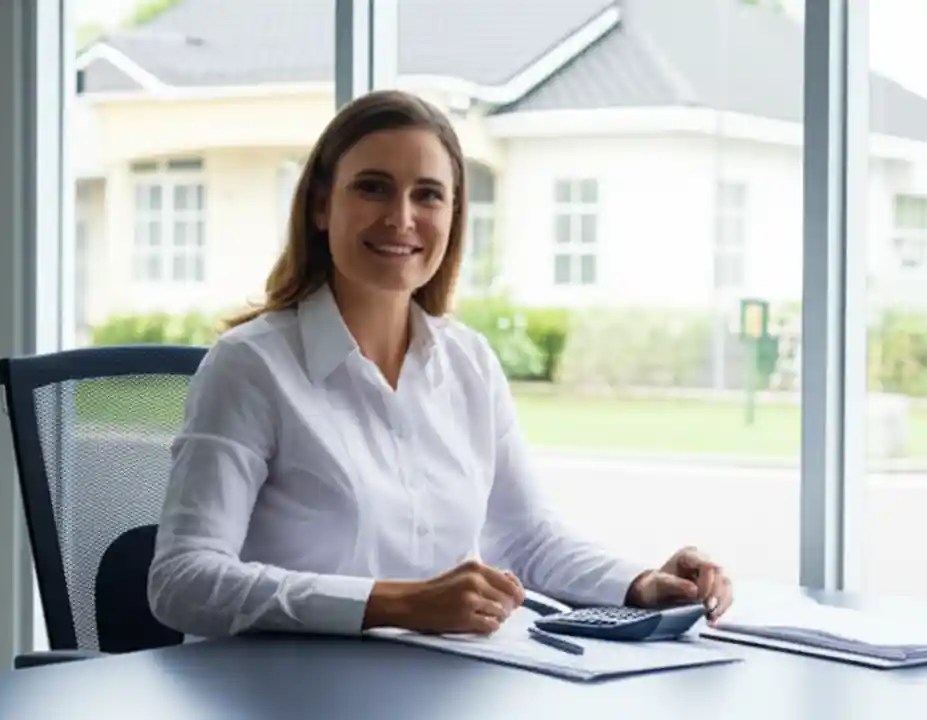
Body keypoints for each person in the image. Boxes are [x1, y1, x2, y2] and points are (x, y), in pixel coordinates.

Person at [148, 89, 734, 639]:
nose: (401, 218)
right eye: (373, 188)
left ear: (453, 215)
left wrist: (640, 585)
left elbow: (525, 538)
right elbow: (182, 580)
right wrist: (394, 603)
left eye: (428, 194)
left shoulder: (469, 363)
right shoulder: (251, 366)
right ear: (323, 206)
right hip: (274, 692)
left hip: (430, 683)